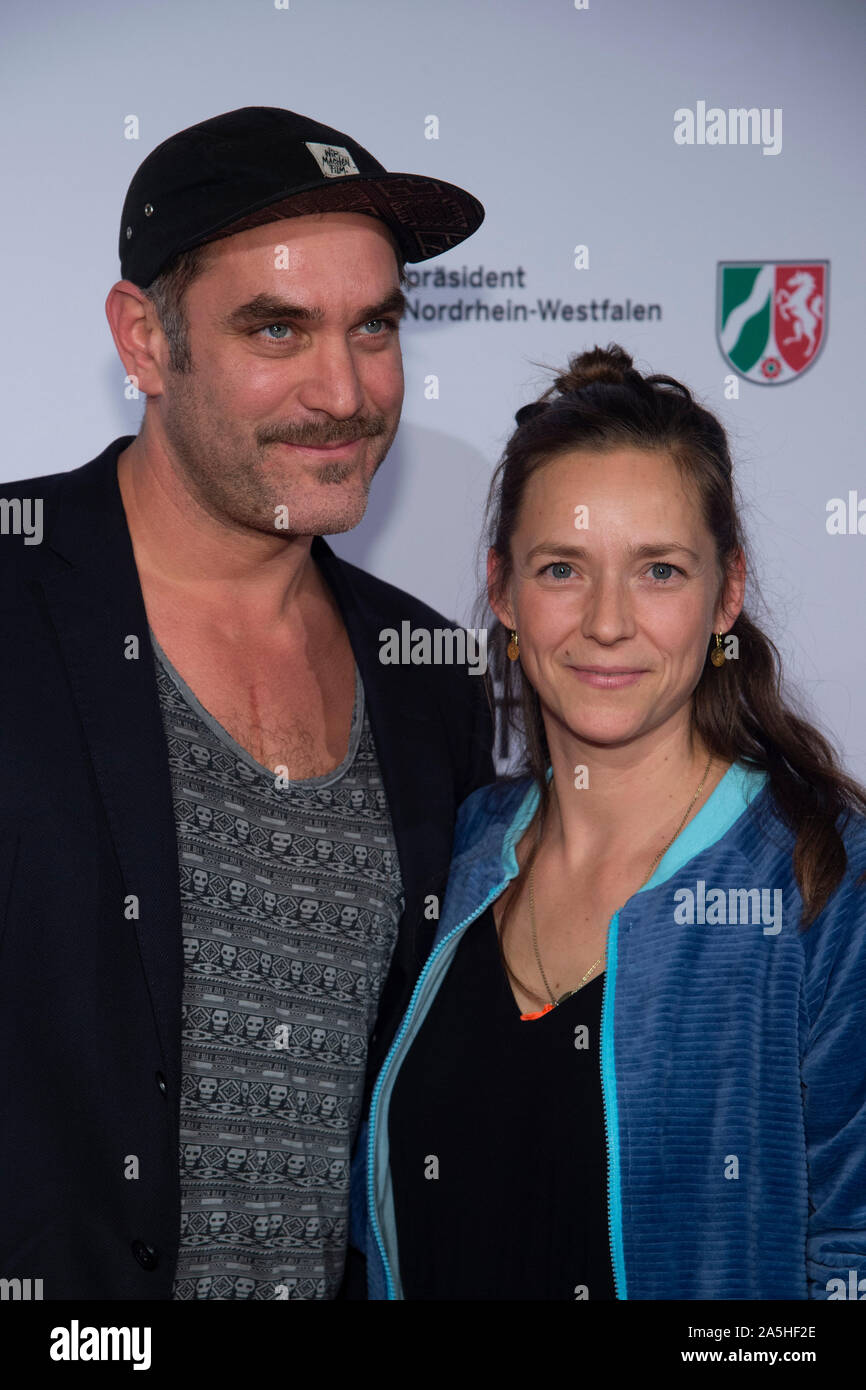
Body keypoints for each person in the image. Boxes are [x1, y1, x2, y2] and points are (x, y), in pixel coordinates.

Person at [0, 106, 494, 1300]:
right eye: (277, 327)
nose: (344, 390)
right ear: (144, 341)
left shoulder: (430, 673)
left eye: (374, 327)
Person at [360, 343, 866, 1300]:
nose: (606, 623)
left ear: (727, 594)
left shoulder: (822, 881)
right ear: (503, 592)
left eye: (660, 572)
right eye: (562, 568)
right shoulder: (463, 847)